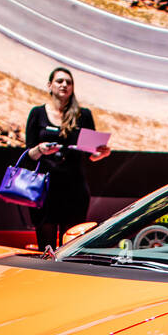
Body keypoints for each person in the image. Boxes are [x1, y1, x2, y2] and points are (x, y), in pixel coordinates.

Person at [23, 66, 111, 251]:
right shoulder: (37, 113)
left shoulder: (83, 115)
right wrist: (40, 149)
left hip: (73, 188)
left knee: (70, 245)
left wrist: (100, 154)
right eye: (59, 81)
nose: (64, 85)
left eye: (68, 82)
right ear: (50, 85)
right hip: (45, 188)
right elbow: (28, 154)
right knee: (45, 246)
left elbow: (90, 155)